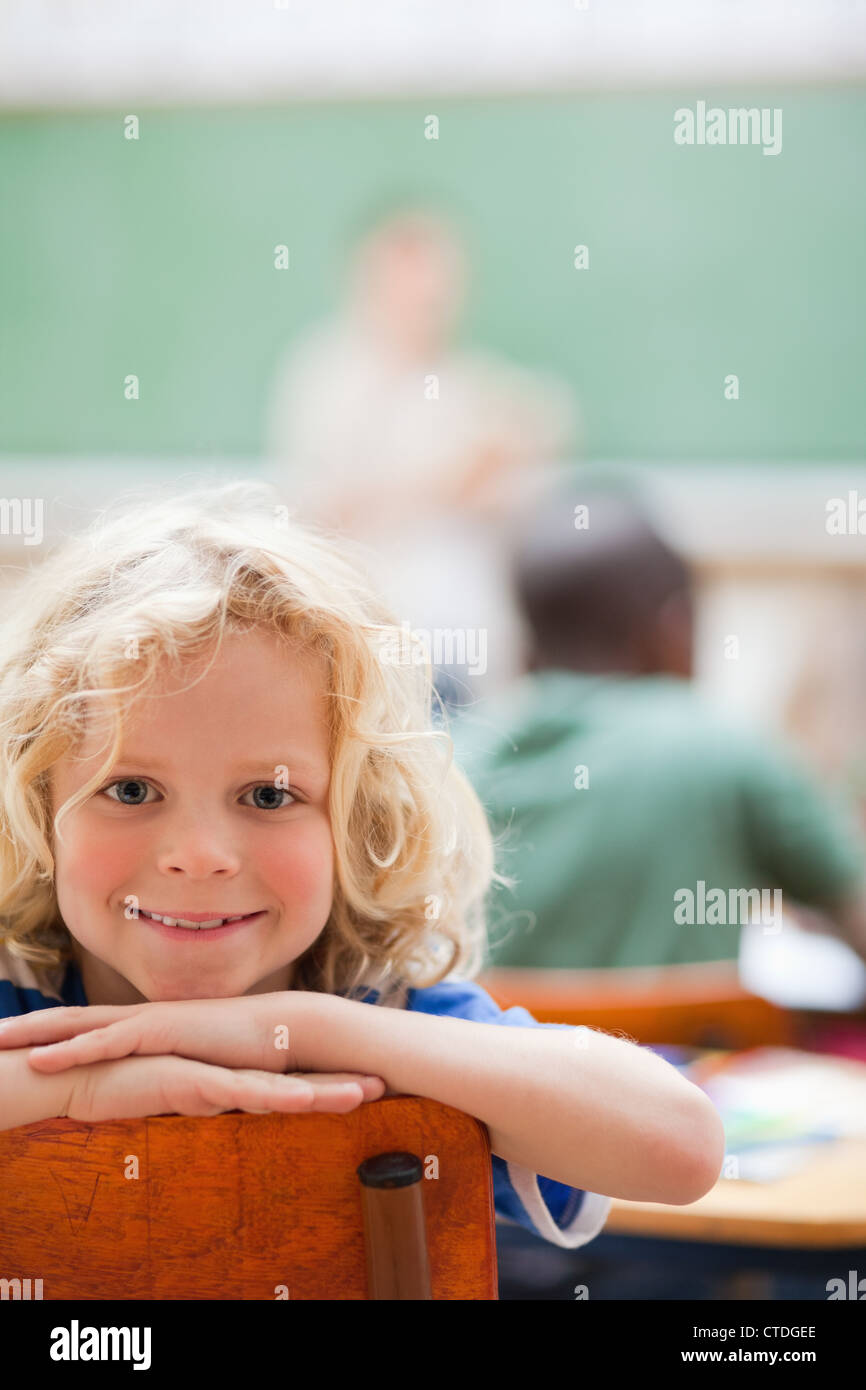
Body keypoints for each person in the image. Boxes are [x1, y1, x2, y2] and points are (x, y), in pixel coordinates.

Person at [0, 479, 722, 1260]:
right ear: (35, 804)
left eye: (269, 795)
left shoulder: (375, 1009)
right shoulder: (18, 997)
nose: (200, 855)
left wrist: (305, 1031)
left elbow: (681, 1144)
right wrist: (78, 1085)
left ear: (356, 823)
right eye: (131, 791)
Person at [450, 482, 866, 971]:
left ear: (526, 647)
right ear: (674, 628)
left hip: (493, 1024)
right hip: (705, 1025)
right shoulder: (722, 746)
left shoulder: (452, 762)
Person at [264, 207, 576, 707]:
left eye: (439, 277)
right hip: (380, 646)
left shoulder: (469, 382)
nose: (428, 293)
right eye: (408, 273)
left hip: (474, 651)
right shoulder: (330, 379)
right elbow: (321, 516)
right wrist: (451, 479)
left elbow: (517, 494)